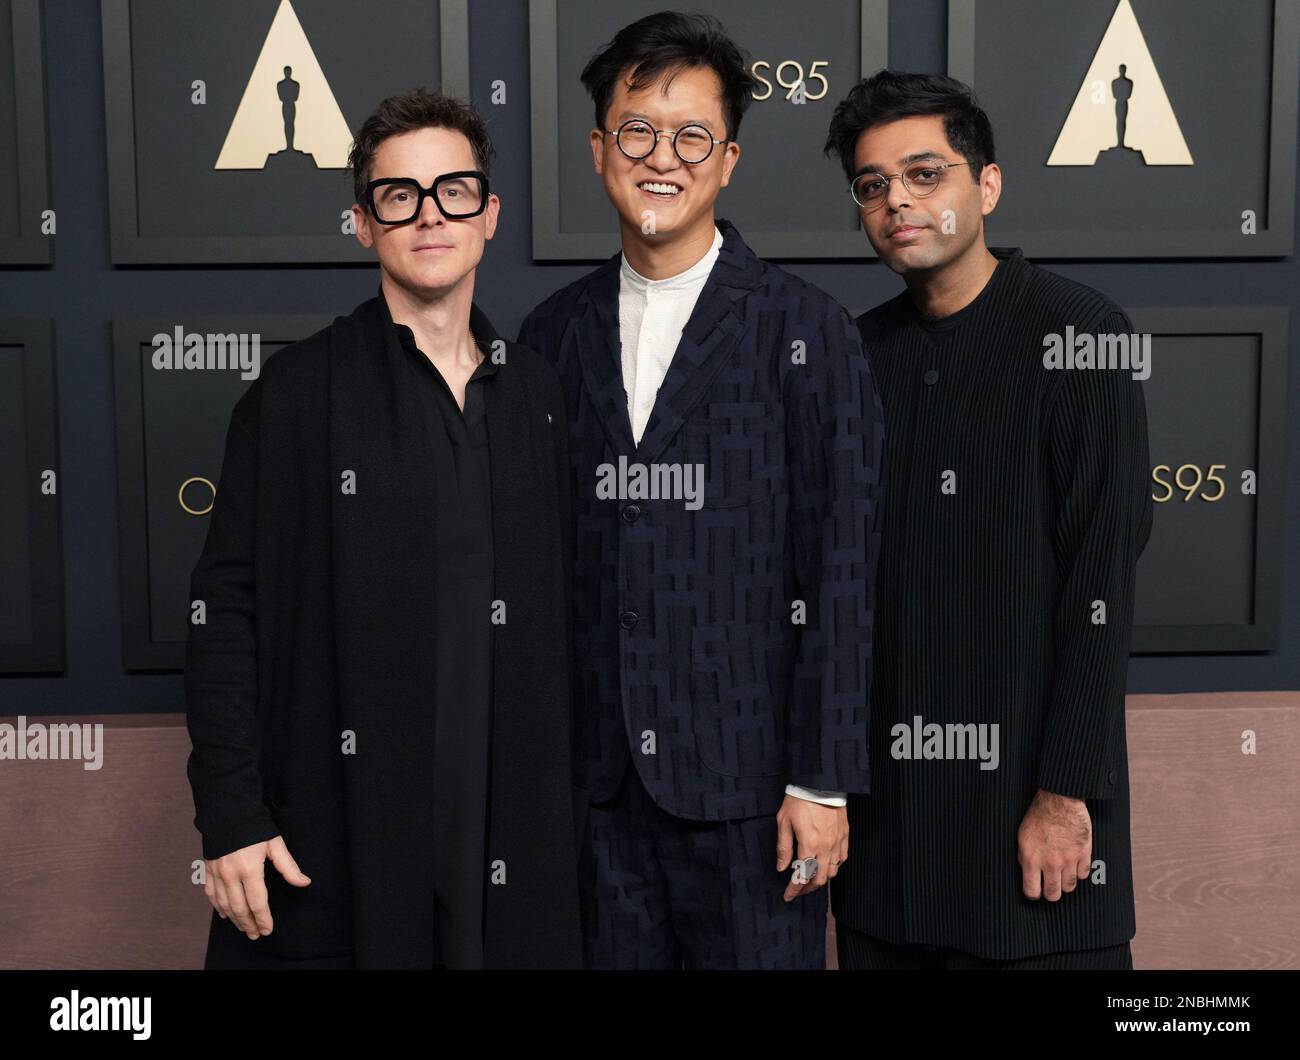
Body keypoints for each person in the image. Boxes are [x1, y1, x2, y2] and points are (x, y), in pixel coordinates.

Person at [518, 12, 884, 969]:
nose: (660, 158)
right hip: (594, 794)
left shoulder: (805, 330)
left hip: (753, 795)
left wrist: (824, 780)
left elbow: (843, 562)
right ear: (600, 148)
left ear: (727, 160)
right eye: (637, 131)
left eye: (691, 137)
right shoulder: (550, 336)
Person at [184, 88, 581, 969]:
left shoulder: (540, 401)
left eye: (454, 190)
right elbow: (225, 616)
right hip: (345, 819)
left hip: (508, 826)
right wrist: (232, 815)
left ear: (491, 215)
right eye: (399, 195)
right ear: (363, 223)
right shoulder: (294, 400)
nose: (430, 214)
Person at [824, 70, 1152, 969]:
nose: (898, 201)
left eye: (925, 174)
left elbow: (1100, 584)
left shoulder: (1082, 334)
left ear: (989, 184)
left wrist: (1064, 793)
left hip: (1035, 837)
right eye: (873, 184)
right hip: (887, 844)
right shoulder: (853, 353)